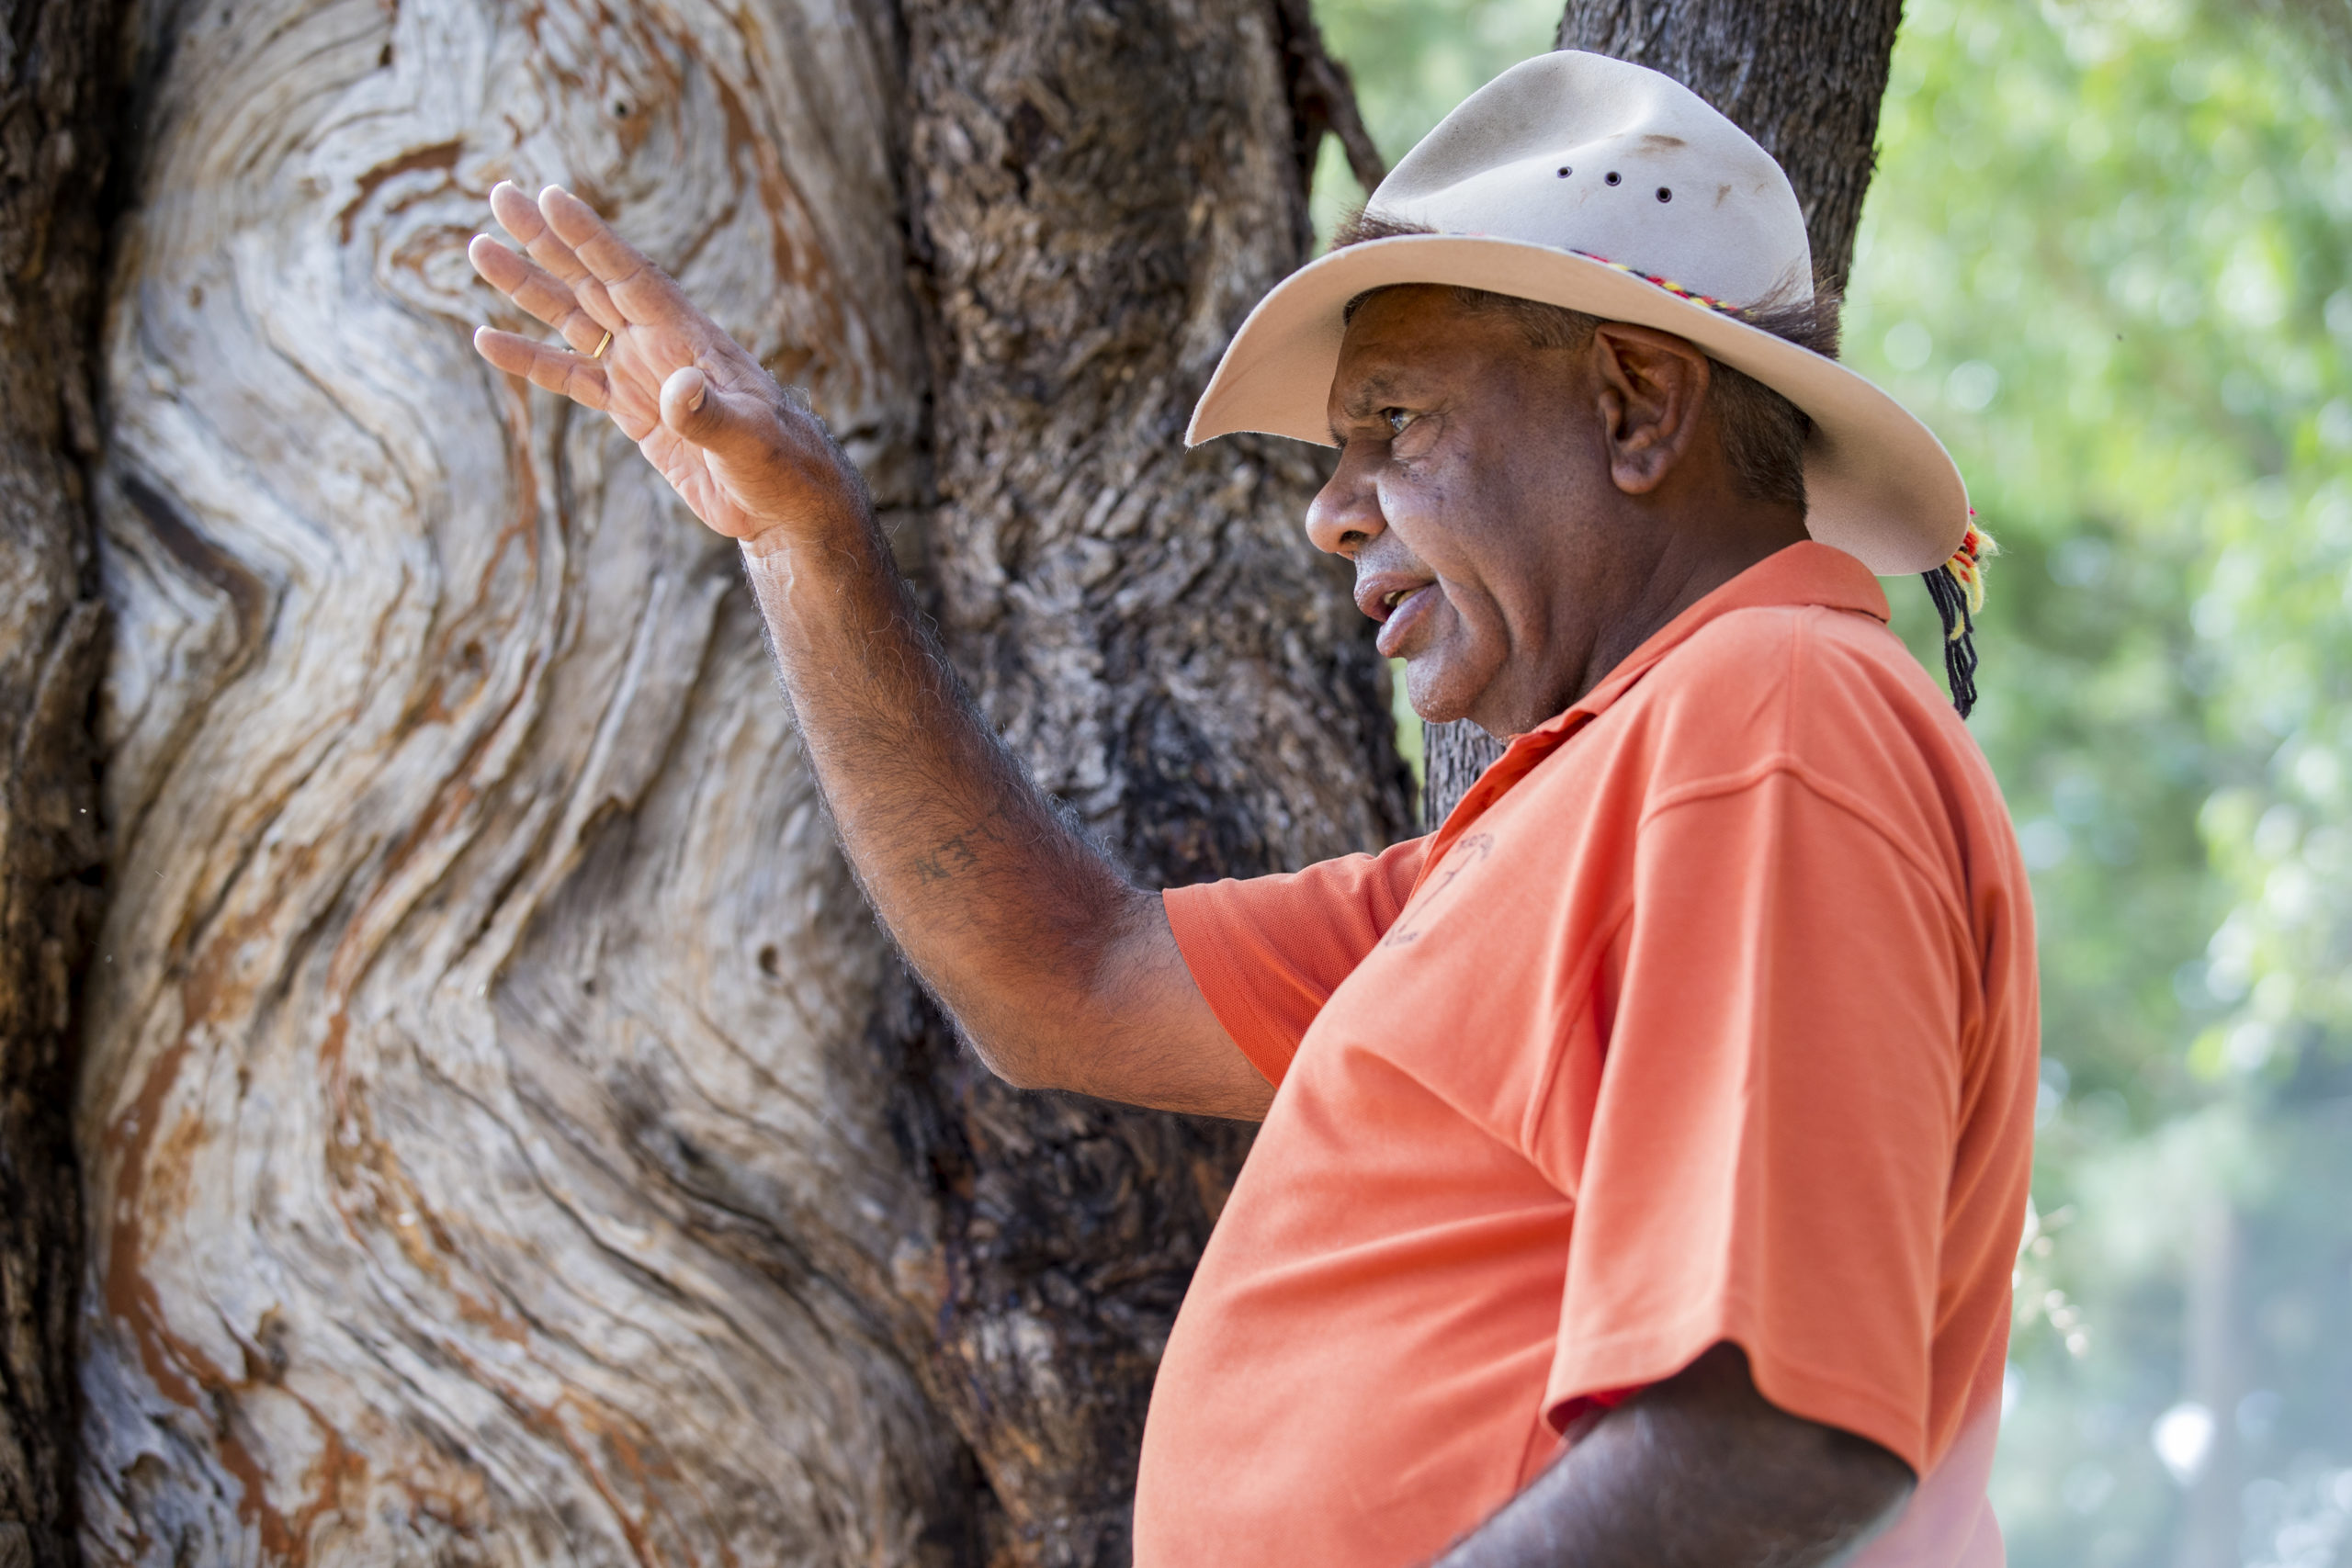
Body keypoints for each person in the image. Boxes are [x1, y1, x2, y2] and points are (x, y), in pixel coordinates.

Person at [469, 49, 2037, 1568]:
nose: (1327, 507)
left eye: (1396, 426)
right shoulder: (1586, 803)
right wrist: (802, 541)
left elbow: (1770, 1437)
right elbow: (1068, 985)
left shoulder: (1768, 713)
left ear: (1636, 406)